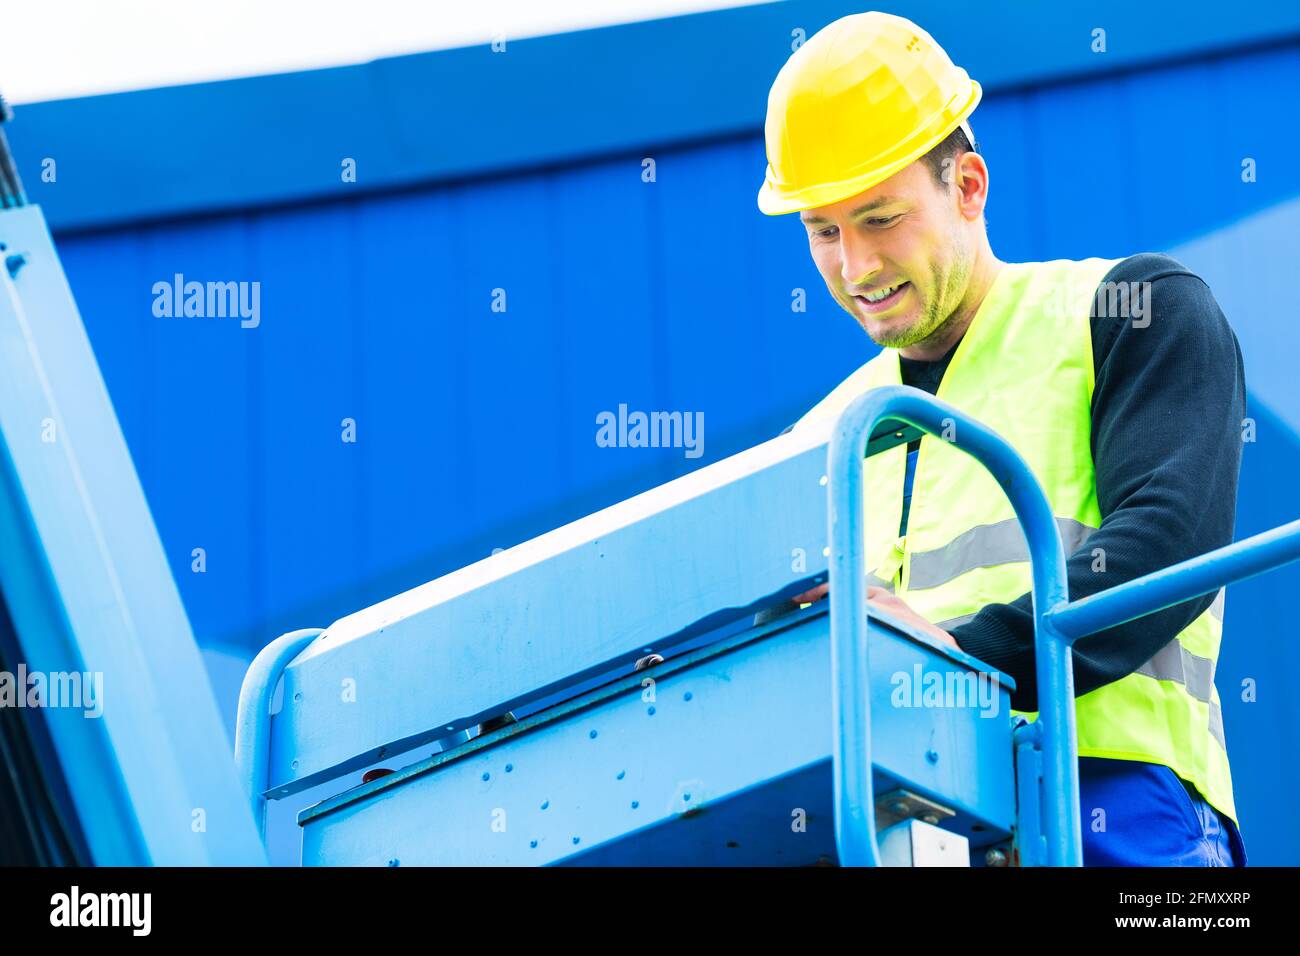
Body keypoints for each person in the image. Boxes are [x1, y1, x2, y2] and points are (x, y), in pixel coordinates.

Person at [760, 11, 1247, 866]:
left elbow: (1167, 547)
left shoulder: (1129, 313)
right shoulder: (818, 442)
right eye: (823, 232)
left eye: (880, 218)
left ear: (970, 186)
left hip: (1124, 816)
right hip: (895, 832)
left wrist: (960, 661)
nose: (856, 267)